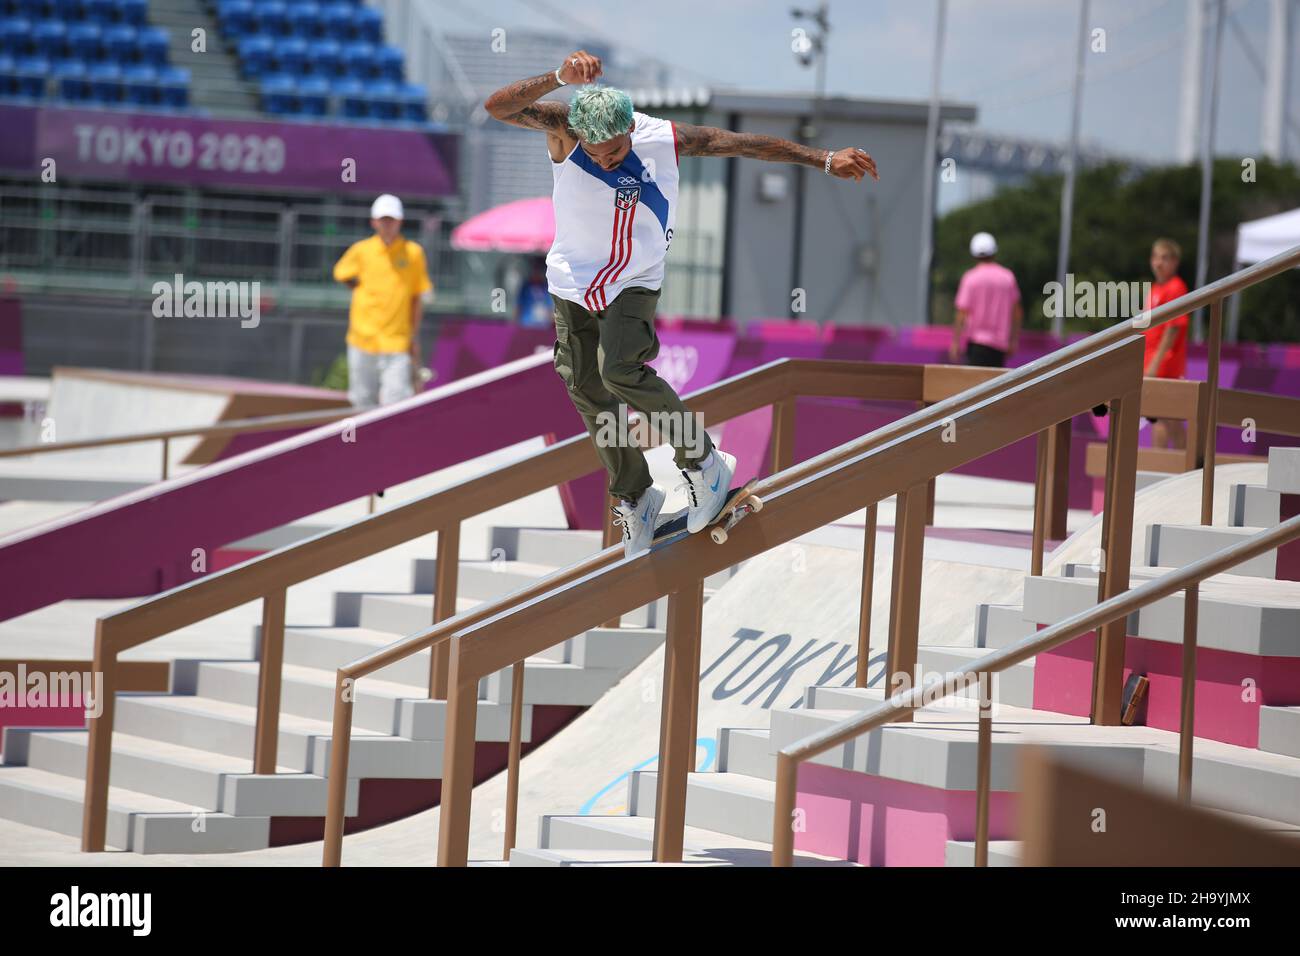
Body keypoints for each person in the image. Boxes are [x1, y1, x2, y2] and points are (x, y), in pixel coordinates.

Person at [485, 50, 878, 556]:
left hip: (634, 280)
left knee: (620, 372)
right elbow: (497, 106)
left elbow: (746, 145)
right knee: (585, 386)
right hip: (570, 283)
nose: (606, 158)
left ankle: (703, 462)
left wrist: (822, 159)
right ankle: (636, 494)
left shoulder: (664, 138)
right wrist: (559, 77)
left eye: (615, 150)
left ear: (631, 129)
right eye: (597, 151)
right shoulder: (563, 124)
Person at [332, 194, 433, 408]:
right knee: (362, 402)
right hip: (362, 337)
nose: (387, 225)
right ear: (374, 222)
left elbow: (418, 297)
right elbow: (340, 272)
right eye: (383, 220)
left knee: (395, 403)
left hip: (397, 340)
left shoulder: (413, 253)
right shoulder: (362, 250)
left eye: (391, 220)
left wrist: (414, 337)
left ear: (400, 221)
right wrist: (357, 286)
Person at [1141, 238, 1191, 450]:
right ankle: (1174, 467)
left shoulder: (1176, 287)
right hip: (1153, 362)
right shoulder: (1154, 288)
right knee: (1165, 419)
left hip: (1165, 365)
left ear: (1174, 262)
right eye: (1155, 257)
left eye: (1164, 258)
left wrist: (1154, 365)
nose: (1158, 263)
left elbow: (1173, 328)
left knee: (1166, 419)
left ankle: (1171, 468)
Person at [949, 231, 1021, 368]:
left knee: (977, 388)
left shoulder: (970, 278)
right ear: (994, 252)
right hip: (1000, 345)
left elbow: (961, 313)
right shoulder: (1007, 277)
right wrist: (1013, 341)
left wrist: (955, 343)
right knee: (997, 388)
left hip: (977, 344)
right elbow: (1017, 312)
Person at [516, 256, 553, 328]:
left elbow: (550, 309)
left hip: (542, 327)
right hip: (526, 325)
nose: (536, 274)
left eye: (538, 271)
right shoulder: (526, 287)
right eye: (534, 271)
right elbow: (519, 306)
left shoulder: (546, 288)